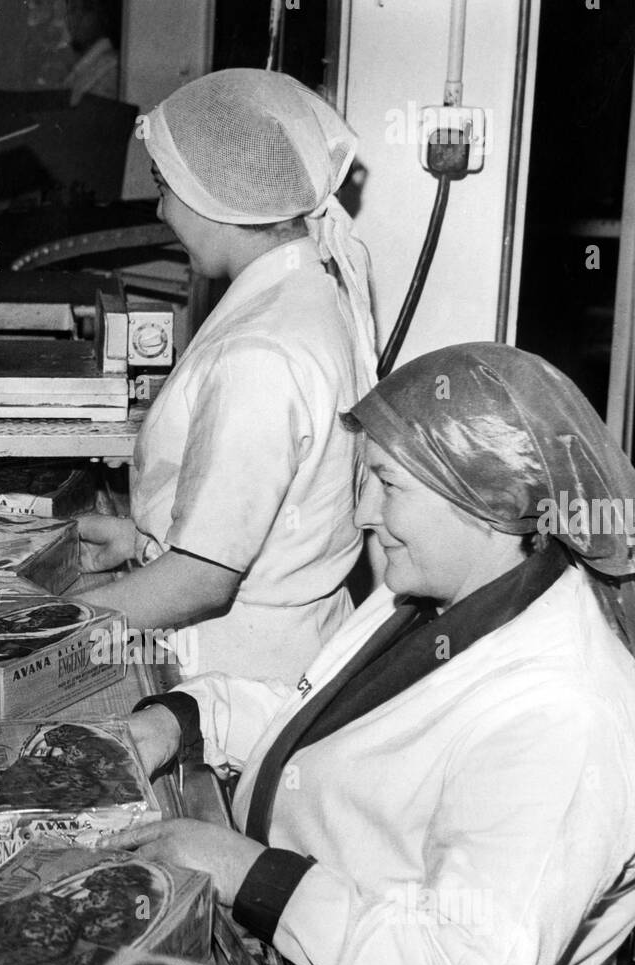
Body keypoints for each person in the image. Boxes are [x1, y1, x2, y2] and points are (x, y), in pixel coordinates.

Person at [111, 343, 635, 965]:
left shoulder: (561, 712)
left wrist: (246, 872)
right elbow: (327, 732)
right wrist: (185, 719)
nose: (365, 513)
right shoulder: (445, 591)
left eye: (387, 486)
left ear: (488, 502)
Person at [77, 69, 378, 682]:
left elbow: (201, 583)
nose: (161, 211)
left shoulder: (259, 352)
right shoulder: (308, 289)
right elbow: (264, 512)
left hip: (232, 670)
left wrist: (47, 617)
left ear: (211, 189)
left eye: (165, 187)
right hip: (286, 642)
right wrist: (142, 538)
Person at [62, 0, 119, 105]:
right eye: (72, 9)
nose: (78, 17)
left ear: (104, 16)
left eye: (87, 9)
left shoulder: (112, 69)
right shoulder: (77, 67)